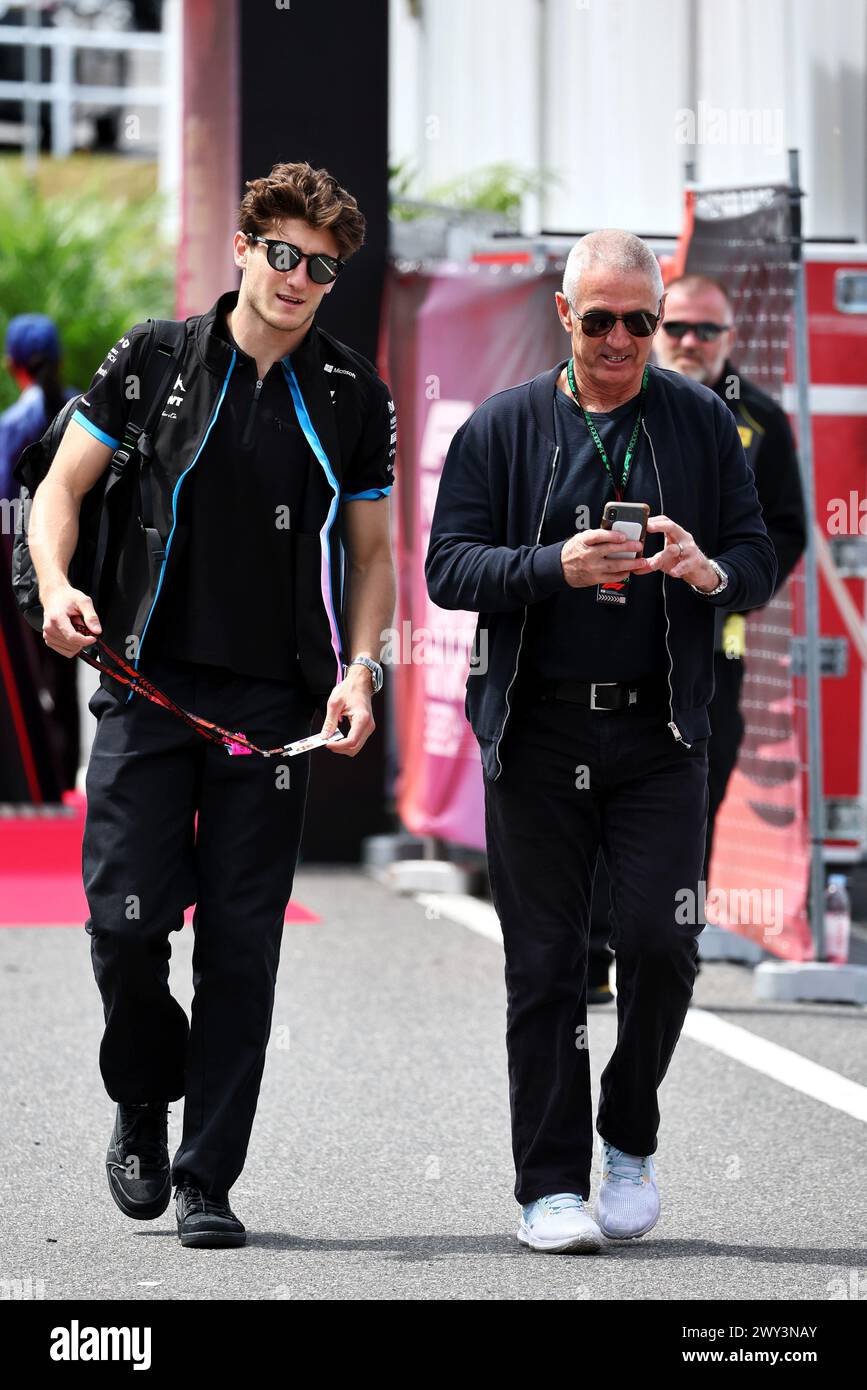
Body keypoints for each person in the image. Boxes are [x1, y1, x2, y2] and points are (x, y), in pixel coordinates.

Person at [29, 162, 396, 1248]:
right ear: (243, 247)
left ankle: (207, 1175)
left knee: (243, 946)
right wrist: (57, 588)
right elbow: (60, 488)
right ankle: (144, 1097)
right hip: (147, 685)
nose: (297, 277)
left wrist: (361, 666)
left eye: (320, 266)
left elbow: (373, 555)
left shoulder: (350, 394)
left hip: (275, 705)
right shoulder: (153, 358)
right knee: (125, 928)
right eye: (281, 253)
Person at [426, 230, 776, 1254]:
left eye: (641, 320)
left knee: (663, 945)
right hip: (534, 731)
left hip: (660, 730)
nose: (622, 338)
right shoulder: (502, 426)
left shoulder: (704, 423)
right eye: (602, 318)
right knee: (544, 967)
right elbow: (451, 567)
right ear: (564, 315)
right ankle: (548, 1185)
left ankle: (629, 1133)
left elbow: (756, 555)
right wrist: (552, 566)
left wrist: (707, 570)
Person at [587, 274, 807, 1000]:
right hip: (605, 634)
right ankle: (587, 956)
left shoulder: (759, 420)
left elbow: (786, 531)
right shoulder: (611, 398)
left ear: (729, 340)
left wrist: (720, 573)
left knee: (690, 799)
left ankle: (662, 951)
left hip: (714, 648)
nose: (687, 342)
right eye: (675, 326)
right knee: (586, 795)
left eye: (704, 331)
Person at [0, 314, 80, 790]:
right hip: (82, 573)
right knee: (70, 673)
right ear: (58, 360)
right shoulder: (88, 413)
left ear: (13, 366)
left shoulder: (10, 425)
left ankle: (40, 777)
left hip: (24, 573)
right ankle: (67, 771)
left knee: (30, 676)